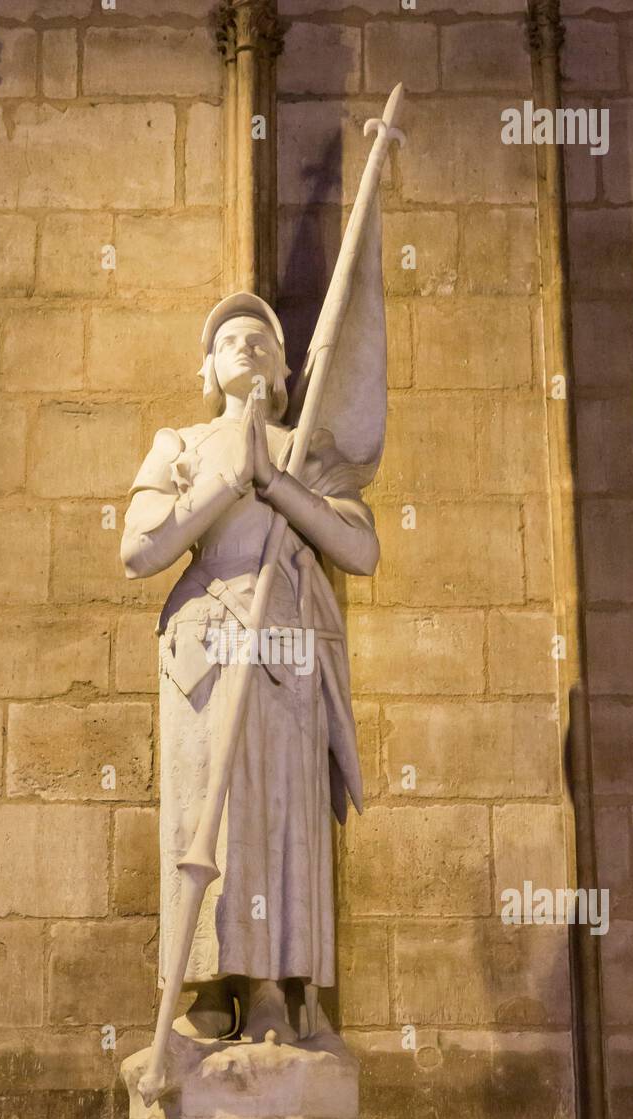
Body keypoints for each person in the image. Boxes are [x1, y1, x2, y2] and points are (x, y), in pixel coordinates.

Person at [121, 292, 379, 1045]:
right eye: (231, 338)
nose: (247, 346)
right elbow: (140, 550)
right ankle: (203, 985)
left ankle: (270, 984)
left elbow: (359, 550)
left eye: (262, 339)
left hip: (284, 647)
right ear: (207, 367)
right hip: (205, 645)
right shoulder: (181, 443)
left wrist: (275, 480)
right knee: (207, 809)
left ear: (288, 371)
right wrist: (230, 478)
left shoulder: (306, 451)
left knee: (278, 808)